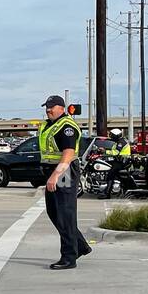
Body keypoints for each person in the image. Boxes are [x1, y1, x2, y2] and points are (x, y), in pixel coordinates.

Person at [40, 95, 91, 270]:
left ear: (62, 108)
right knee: (54, 212)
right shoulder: (50, 124)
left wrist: (55, 175)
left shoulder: (66, 126)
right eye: (47, 107)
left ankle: (69, 257)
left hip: (64, 171)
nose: (48, 109)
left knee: (65, 214)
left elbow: (68, 154)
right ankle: (80, 246)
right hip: (55, 171)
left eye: (52, 107)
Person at [104, 128, 131, 197]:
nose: (111, 137)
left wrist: (104, 151)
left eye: (112, 135)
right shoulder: (119, 142)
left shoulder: (121, 142)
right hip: (119, 161)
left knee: (110, 174)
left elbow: (115, 152)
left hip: (122, 162)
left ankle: (107, 194)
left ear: (116, 136)